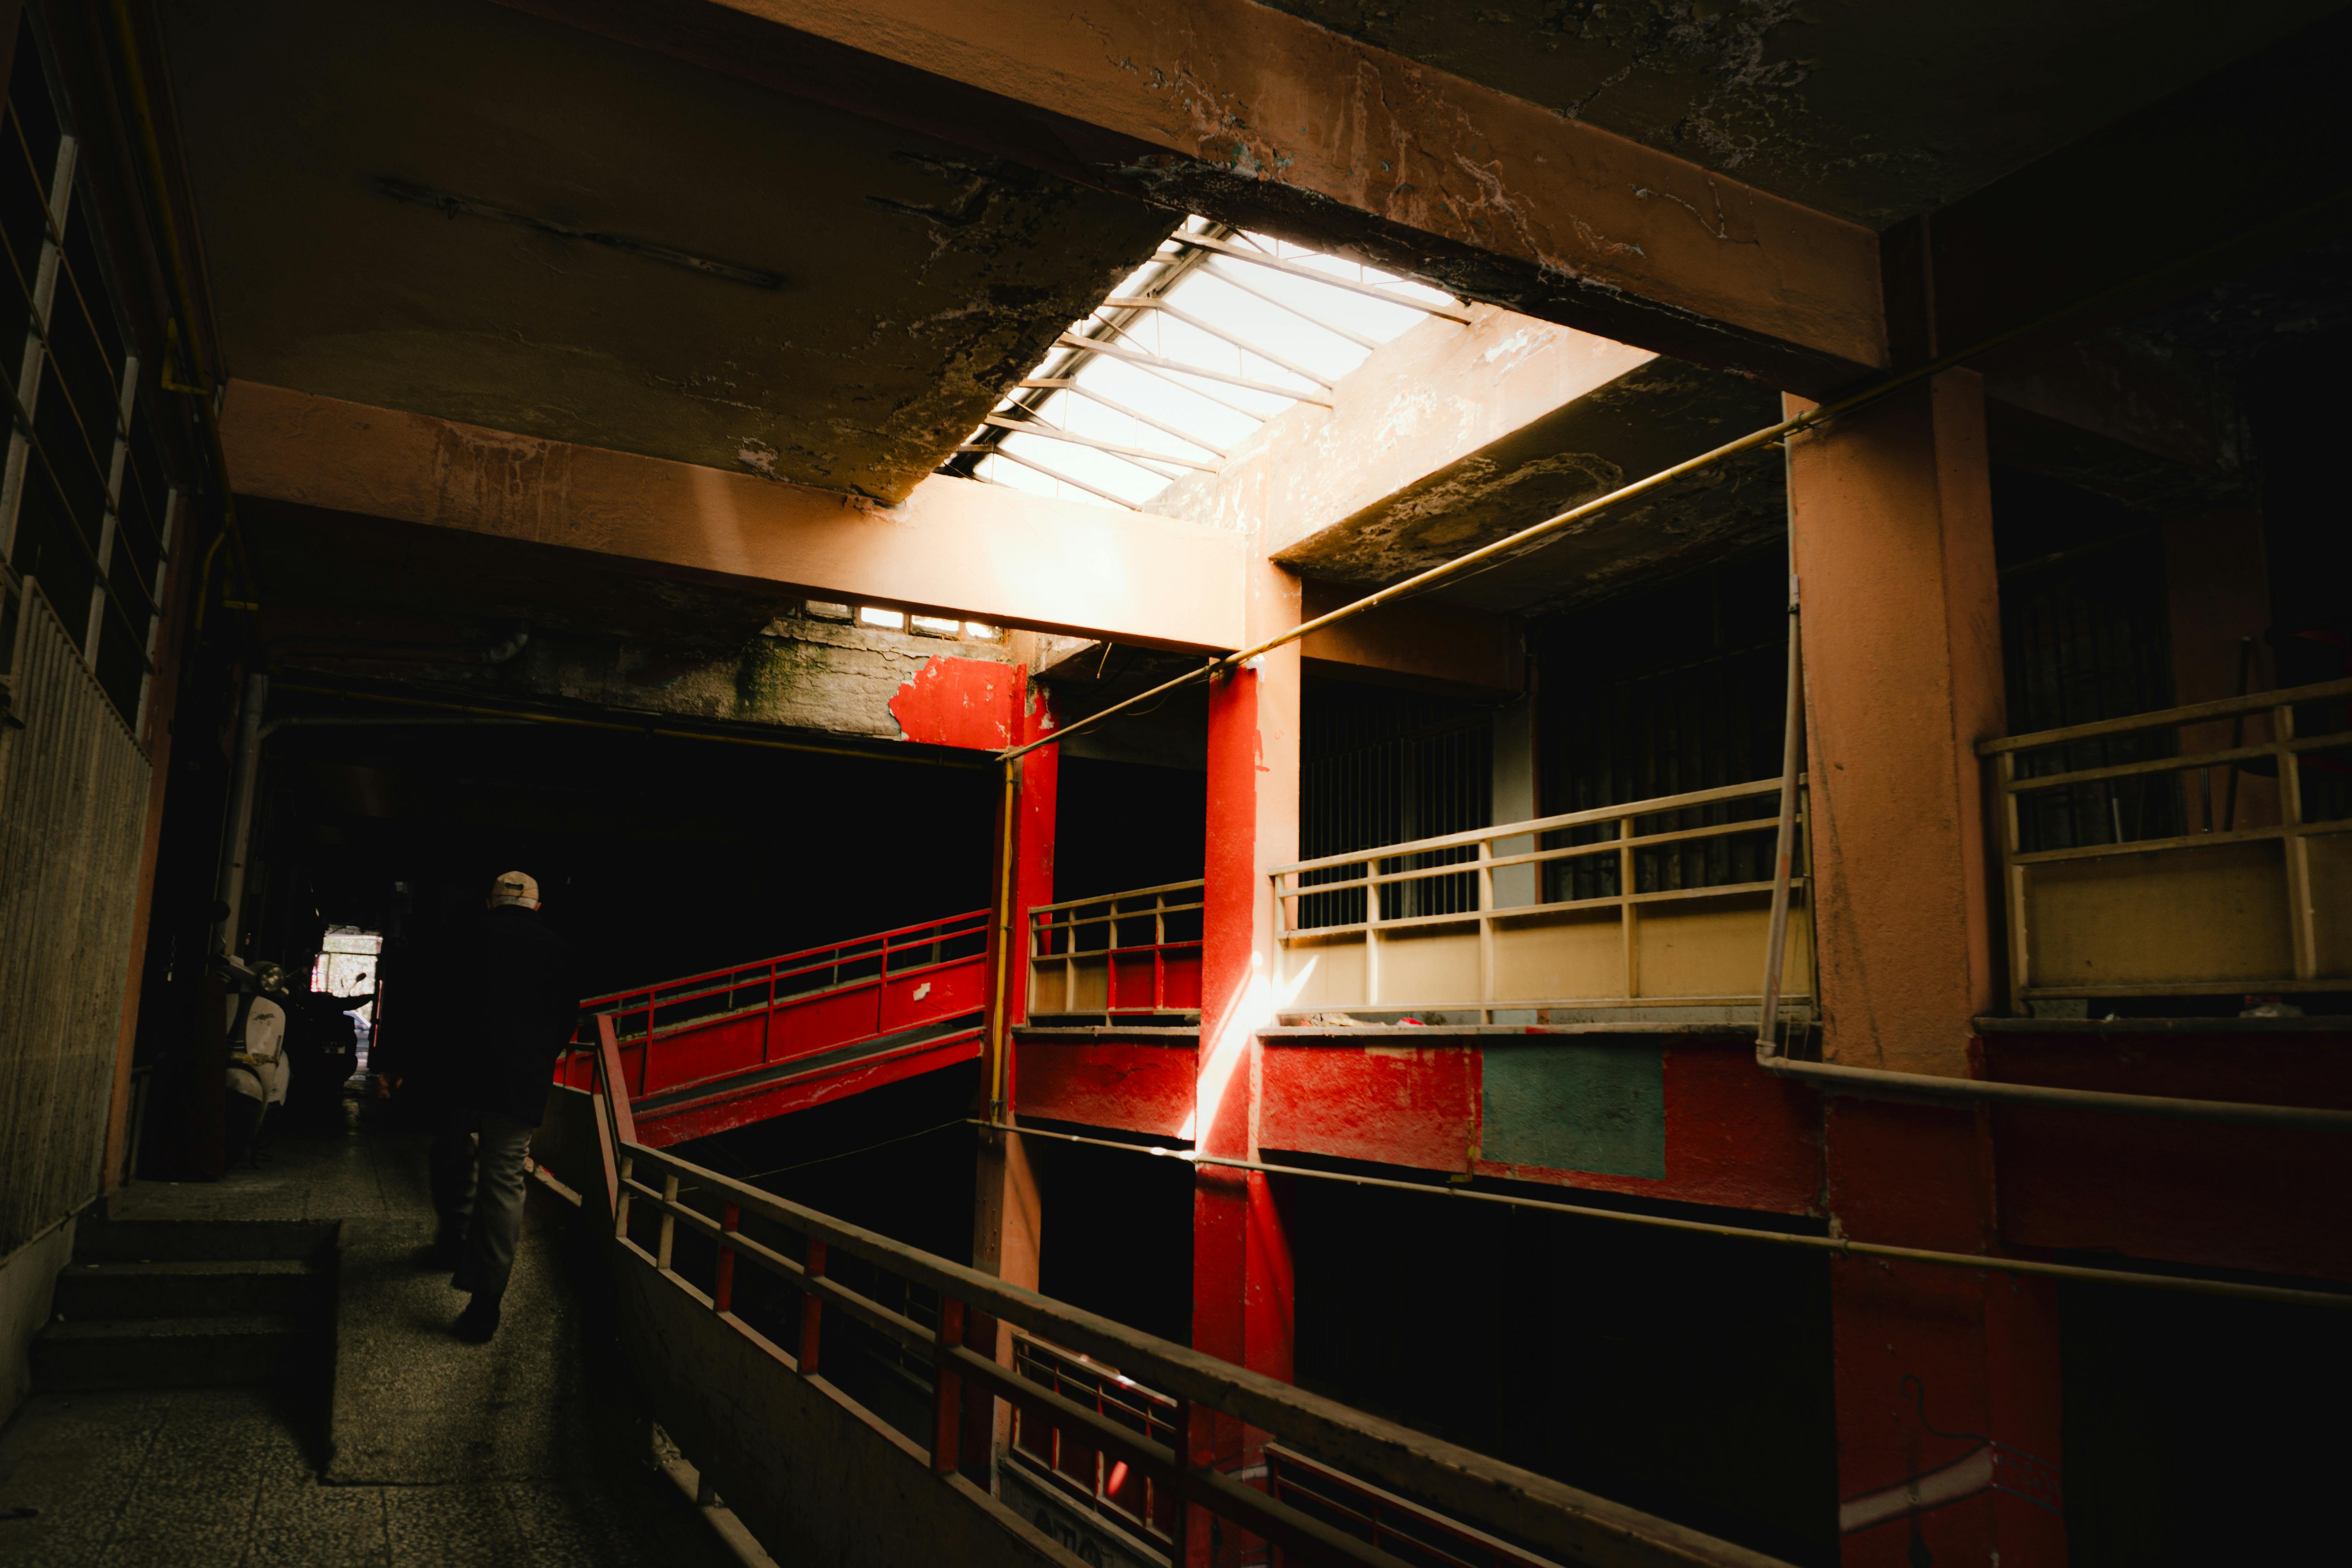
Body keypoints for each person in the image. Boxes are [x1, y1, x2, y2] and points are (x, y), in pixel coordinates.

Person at [424, 870, 583, 1343]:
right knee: (504, 1181)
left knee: (449, 1153)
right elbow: (565, 1023)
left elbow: (432, 1004)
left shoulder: (462, 936)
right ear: (538, 908)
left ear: (491, 903)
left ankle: (452, 1239)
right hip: (520, 1083)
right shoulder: (560, 950)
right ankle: (485, 1303)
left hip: (458, 1073)